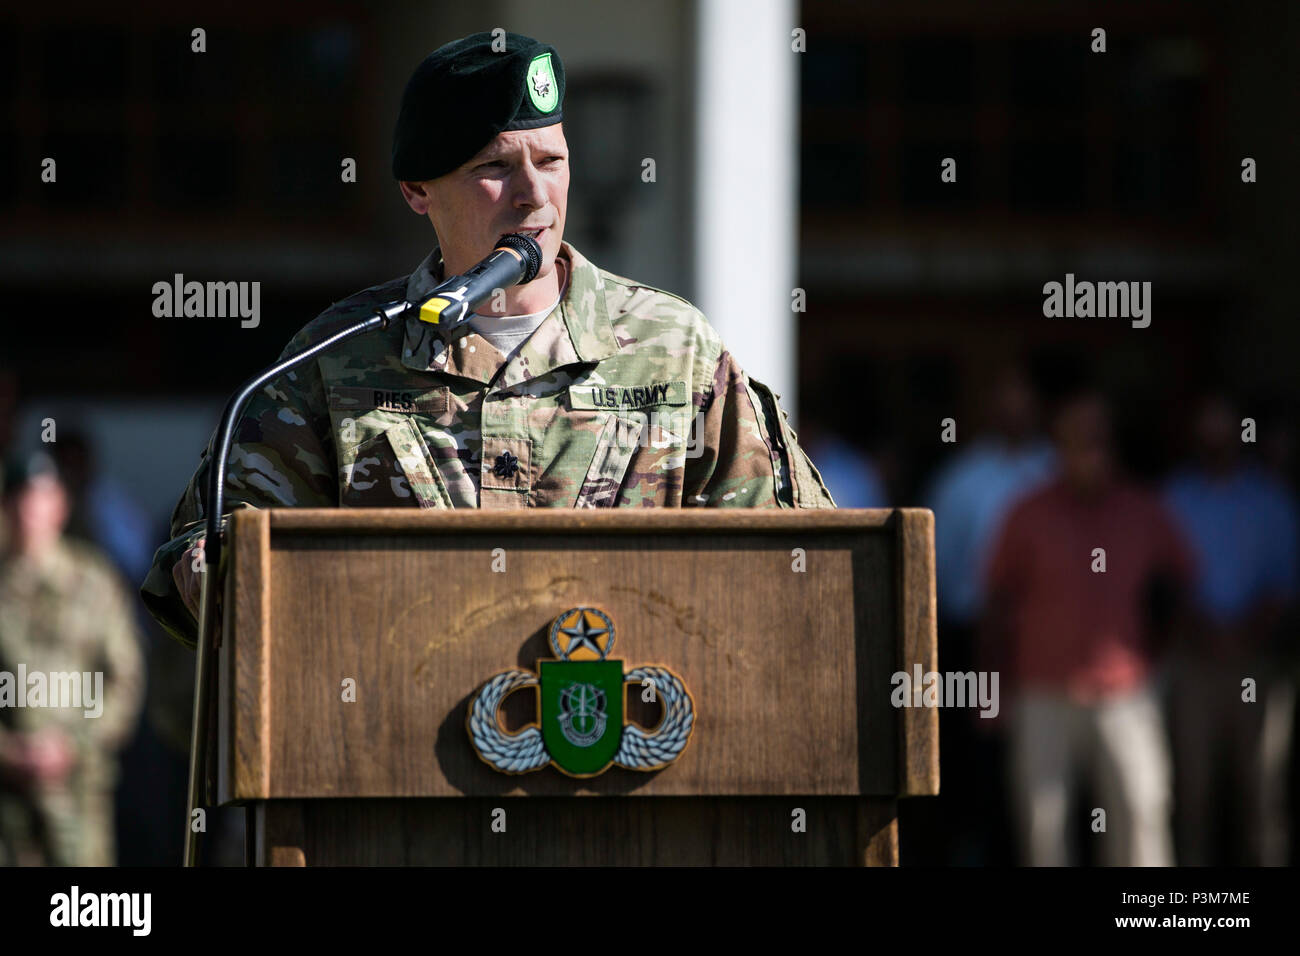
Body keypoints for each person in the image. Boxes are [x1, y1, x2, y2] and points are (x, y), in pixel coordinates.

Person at [140, 32, 834, 647]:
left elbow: (800, 561)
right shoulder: (340, 355)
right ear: (418, 191)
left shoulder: (673, 349)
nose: (535, 195)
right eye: (495, 169)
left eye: (551, 160)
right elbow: (207, 564)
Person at [982, 387, 1195, 866]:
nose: (1090, 449)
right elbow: (995, 604)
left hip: (1126, 694)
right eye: (1078, 438)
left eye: (1099, 437)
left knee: (1141, 814)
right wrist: (990, 691)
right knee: (1043, 826)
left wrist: (1161, 661)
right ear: (1058, 445)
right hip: (1042, 694)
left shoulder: (1143, 510)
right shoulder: (1028, 511)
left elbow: (1182, 585)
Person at [1162, 392, 1298, 865]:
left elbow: (1284, 582)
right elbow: (1162, 579)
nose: (1216, 436)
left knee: (1260, 786)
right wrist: (1201, 630)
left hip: (1254, 663)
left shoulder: (1271, 500)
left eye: (1226, 425)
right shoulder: (1174, 496)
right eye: (1207, 424)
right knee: (1190, 788)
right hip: (1192, 662)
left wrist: (1242, 635)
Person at [0, 452, 144, 866]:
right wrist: (9, 752)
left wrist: (74, 744)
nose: (31, 509)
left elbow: (124, 678)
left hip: (79, 787)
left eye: (42, 497)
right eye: (21, 497)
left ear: (61, 504)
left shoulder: (94, 581)